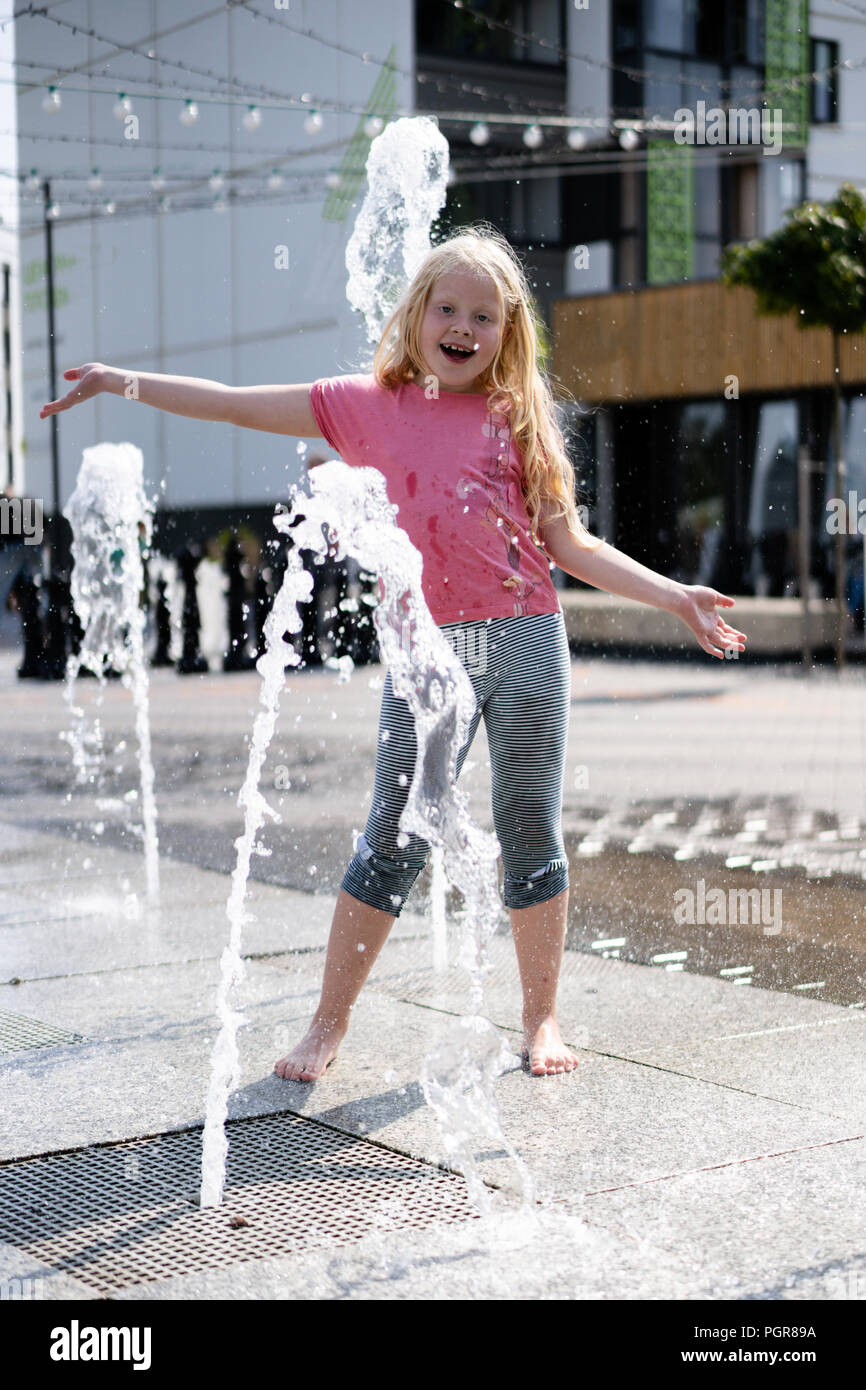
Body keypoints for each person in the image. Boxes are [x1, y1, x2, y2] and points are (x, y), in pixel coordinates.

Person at [40, 225, 747, 1080]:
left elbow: (569, 544)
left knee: (528, 827)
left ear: (508, 331)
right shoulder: (363, 404)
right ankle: (327, 1025)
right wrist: (126, 381)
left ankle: (542, 1018)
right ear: (417, 317)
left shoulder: (520, 417)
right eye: (446, 308)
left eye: (483, 316)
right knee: (392, 836)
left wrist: (675, 596)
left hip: (526, 640)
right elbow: (233, 401)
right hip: (424, 651)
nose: (462, 326)